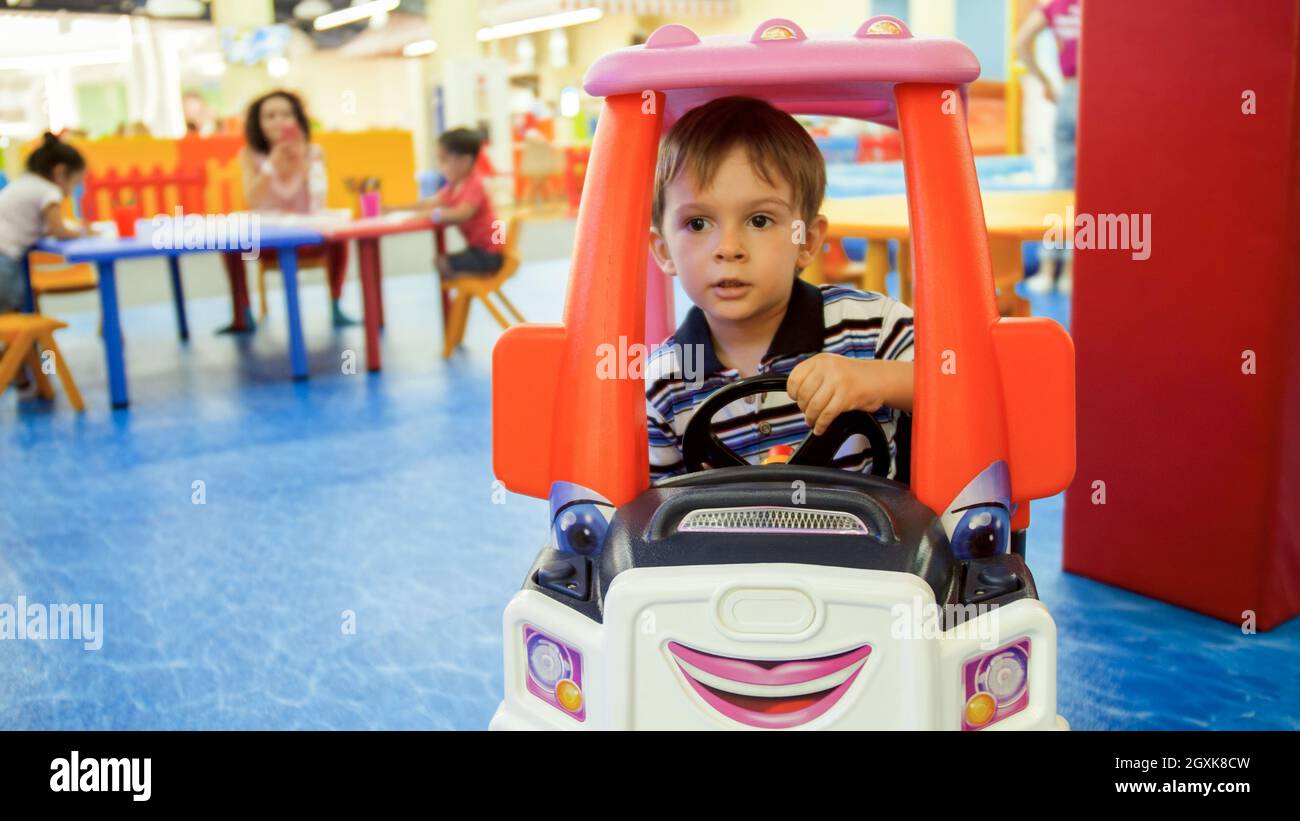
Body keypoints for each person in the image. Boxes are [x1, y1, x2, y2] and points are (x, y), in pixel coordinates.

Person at [645, 96, 915, 482]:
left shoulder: (872, 327)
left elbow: (964, 390)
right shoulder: (663, 383)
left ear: (806, 239)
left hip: (872, 539)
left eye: (759, 220)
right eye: (698, 224)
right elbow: (655, 522)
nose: (728, 248)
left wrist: (878, 379)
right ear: (664, 250)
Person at [219, 90, 354, 332]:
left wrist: (302, 161)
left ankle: (335, 305)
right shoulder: (250, 156)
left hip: (306, 238)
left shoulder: (314, 152)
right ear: (258, 123)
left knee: (339, 237)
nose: (278, 121)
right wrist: (272, 163)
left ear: (298, 119)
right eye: (270, 116)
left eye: (285, 114)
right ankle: (243, 314)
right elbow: (253, 199)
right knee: (229, 244)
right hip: (264, 243)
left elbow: (316, 201)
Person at [0, 133, 86, 395]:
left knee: (16, 323)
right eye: (74, 184)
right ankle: (20, 373)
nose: (71, 192)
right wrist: (83, 230)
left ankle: (28, 378)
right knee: (19, 326)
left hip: (7, 261)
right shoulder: (48, 190)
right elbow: (59, 229)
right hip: (5, 265)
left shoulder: (23, 183)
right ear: (60, 173)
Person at [1016, 0, 1081, 295]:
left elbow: (1021, 43)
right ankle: (1070, 272)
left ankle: (1046, 269)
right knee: (1085, 189)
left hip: (1070, 91)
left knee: (1062, 185)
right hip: (1097, 91)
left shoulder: (1057, 6)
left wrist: (1045, 81)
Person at [414, 128, 503, 278]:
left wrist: (433, 214)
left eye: (444, 161)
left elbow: (462, 214)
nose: (441, 167)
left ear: (464, 161)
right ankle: (466, 293)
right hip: (478, 249)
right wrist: (392, 208)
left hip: (491, 254)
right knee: (442, 261)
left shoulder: (475, 183)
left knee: (442, 262)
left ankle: (464, 295)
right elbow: (430, 203)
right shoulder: (455, 185)